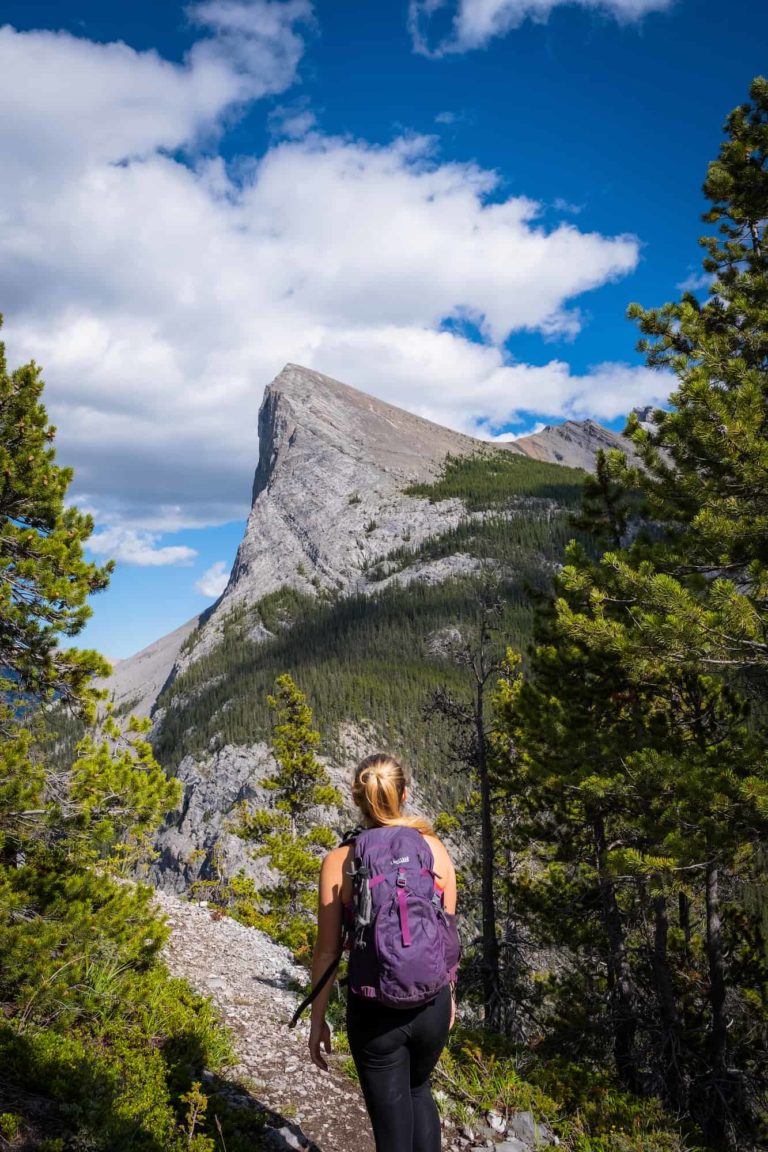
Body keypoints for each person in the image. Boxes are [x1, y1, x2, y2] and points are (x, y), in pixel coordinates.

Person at [307, 752, 459, 1152]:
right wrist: (450, 996)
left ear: (357, 800)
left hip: (375, 1011)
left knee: (391, 1131)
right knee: (419, 1089)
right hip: (432, 1003)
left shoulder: (339, 861)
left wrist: (317, 1019)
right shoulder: (434, 850)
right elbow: (447, 935)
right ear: (405, 794)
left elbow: (326, 953)